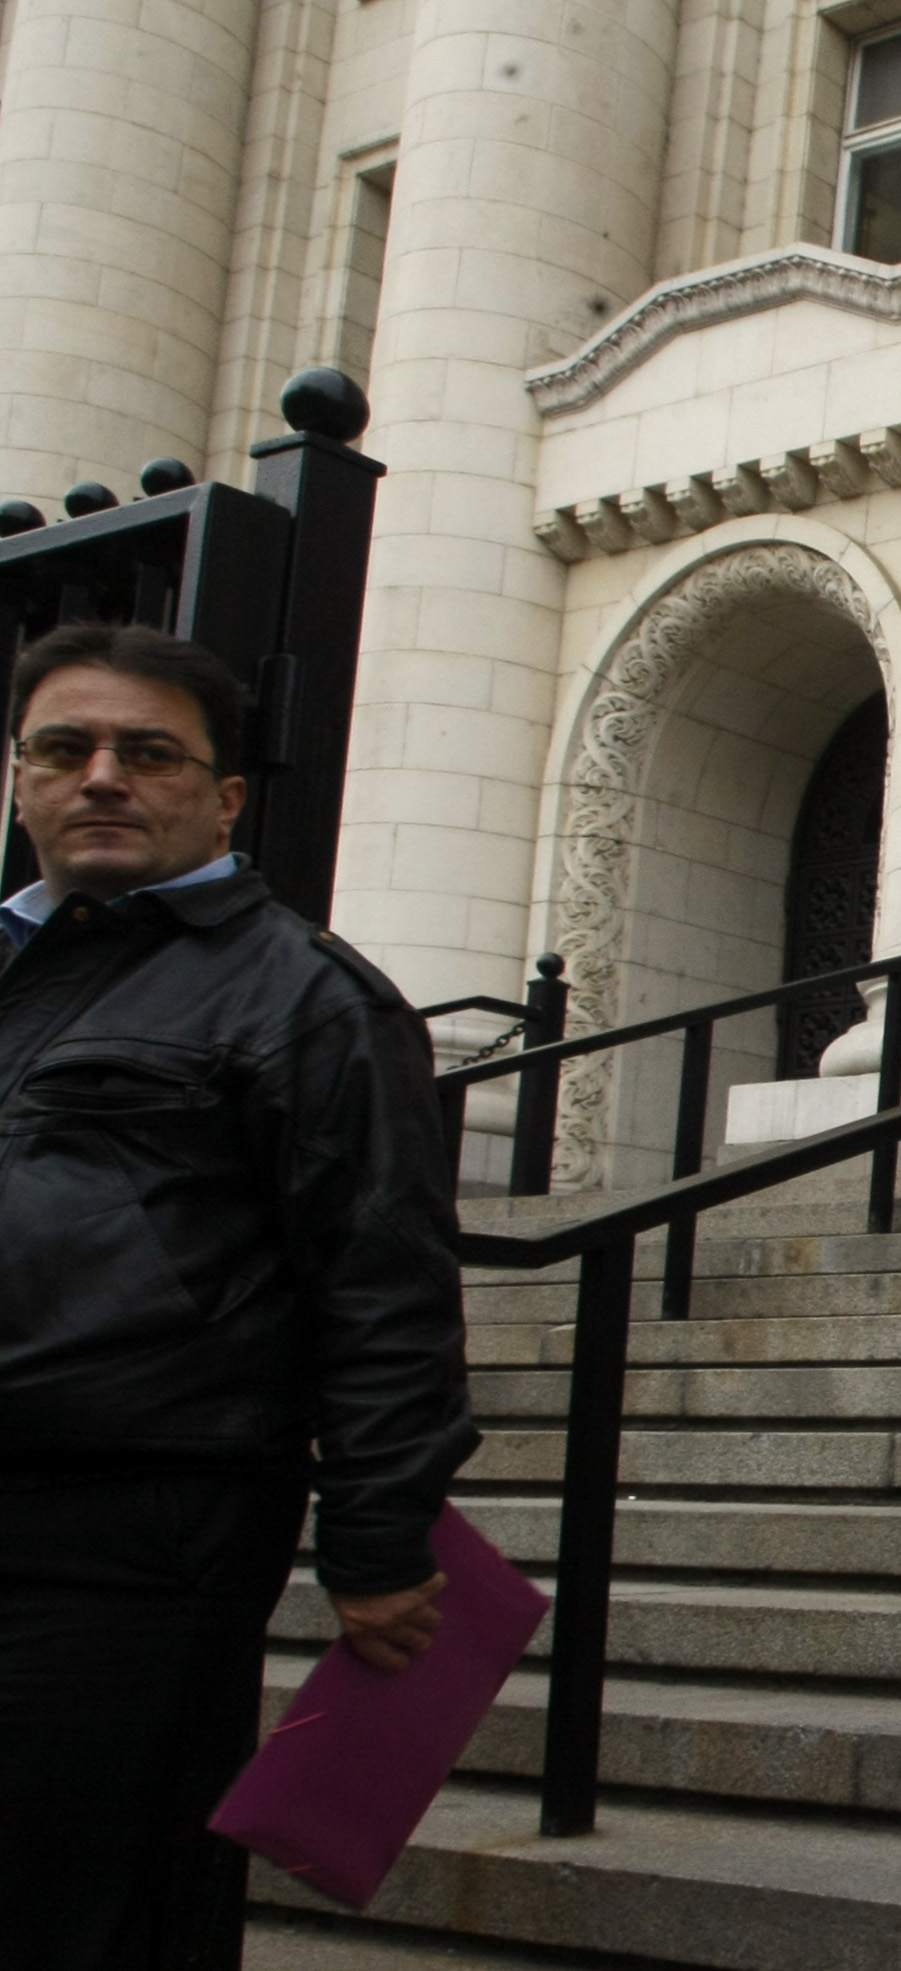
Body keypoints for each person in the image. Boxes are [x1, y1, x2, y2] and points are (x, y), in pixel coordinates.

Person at [0, 623, 480, 1969]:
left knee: (88, 1891)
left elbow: (384, 1277)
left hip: (140, 1527)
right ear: (19, 779)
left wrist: (379, 1537)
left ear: (220, 797)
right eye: (65, 747)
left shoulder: (306, 997)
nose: (102, 776)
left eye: (147, 752)